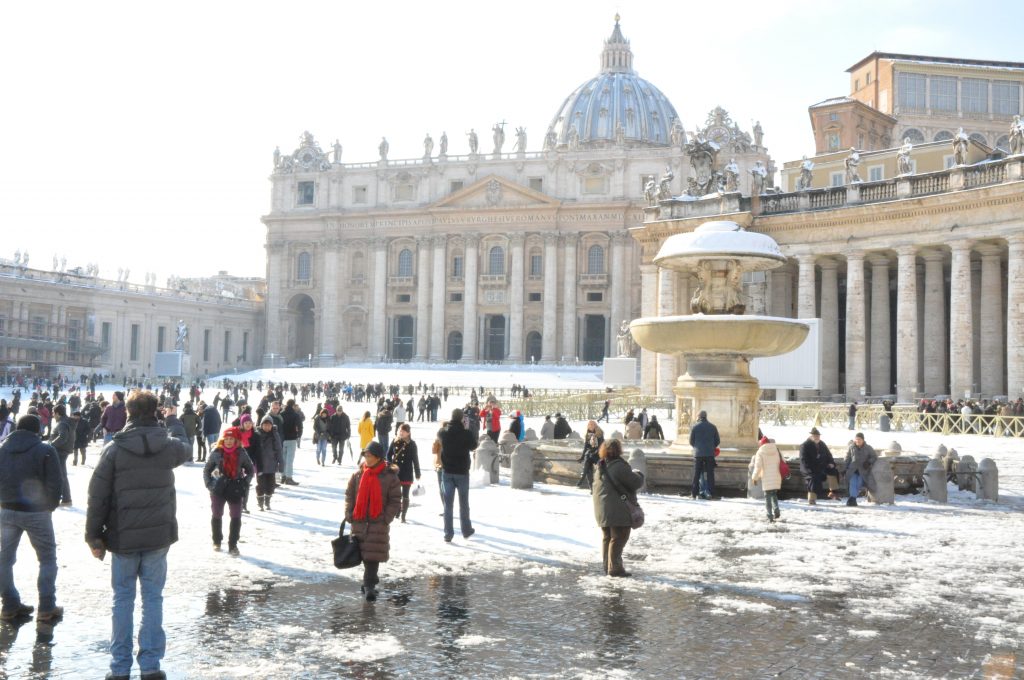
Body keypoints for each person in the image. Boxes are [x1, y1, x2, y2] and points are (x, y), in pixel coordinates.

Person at [85, 390, 191, 680]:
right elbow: (186, 446)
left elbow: (98, 496)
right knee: (153, 599)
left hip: (123, 537)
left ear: (129, 413)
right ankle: (150, 666)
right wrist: (174, 422)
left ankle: (119, 668)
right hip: (158, 536)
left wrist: (93, 536)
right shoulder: (167, 445)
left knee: (122, 600)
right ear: (155, 412)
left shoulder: (115, 449)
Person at [0, 415, 62, 622]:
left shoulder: (2, 449)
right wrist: (50, 506)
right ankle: (46, 606)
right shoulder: (45, 450)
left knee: (5, 560)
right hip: (37, 512)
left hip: (6, 510)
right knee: (46, 559)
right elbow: (55, 483)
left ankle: (8, 604)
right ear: (37, 430)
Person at [345, 441, 401, 602]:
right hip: (359, 520)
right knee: (363, 553)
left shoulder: (389, 476)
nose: (366, 458)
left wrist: (386, 517)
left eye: (369, 455)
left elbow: (395, 499)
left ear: (377, 457)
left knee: (372, 555)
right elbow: (349, 494)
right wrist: (349, 512)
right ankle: (369, 582)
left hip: (378, 522)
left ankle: (369, 585)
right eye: (365, 455)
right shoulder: (358, 475)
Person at [591, 439, 644, 577]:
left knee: (608, 537)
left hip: (603, 509)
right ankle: (615, 568)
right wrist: (639, 474)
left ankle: (607, 566)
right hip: (617, 509)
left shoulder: (600, 466)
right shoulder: (619, 466)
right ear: (619, 449)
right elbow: (635, 482)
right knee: (619, 536)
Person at [202, 426, 255, 554]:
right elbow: (206, 470)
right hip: (218, 489)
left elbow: (250, 470)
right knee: (217, 514)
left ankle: (233, 545)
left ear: (236, 440)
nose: (229, 441)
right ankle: (217, 541)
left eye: (232, 438)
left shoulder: (241, 453)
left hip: (235, 488)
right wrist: (210, 485)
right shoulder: (216, 452)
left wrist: (244, 483)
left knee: (236, 516)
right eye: (227, 438)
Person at [440, 408, 478, 543]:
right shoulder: (466, 433)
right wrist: (468, 429)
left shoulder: (443, 432)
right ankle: (466, 530)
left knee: (448, 504)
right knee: (463, 503)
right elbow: (474, 446)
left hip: (447, 471)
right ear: (462, 418)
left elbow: (440, 436)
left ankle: (448, 533)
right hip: (462, 472)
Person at [386, 423, 421, 523]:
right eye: (399, 430)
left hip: (407, 472)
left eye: (403, 431)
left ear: (408, 433)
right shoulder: (394, 441)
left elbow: (415, 459)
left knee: (405, 495)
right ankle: (397, 512)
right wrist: (390, 465)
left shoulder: (412, 444)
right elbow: (388, 455)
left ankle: (403, 516)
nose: (400, 433)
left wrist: (417, 473)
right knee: (396, 494)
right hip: (395, 472)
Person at [799, 427, 839, 504]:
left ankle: (832, 492)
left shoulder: (822, 444)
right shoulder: (805, 445)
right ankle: (812, 499)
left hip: (821, 467)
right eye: (815, 436)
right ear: (811, 436)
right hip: (809, 469)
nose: (817, 437)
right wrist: (809, 470)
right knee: (813, 478)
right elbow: (803, 460)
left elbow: (829, 455)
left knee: (833, 471)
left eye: (818, 436)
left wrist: (831, 463)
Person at [251, 416, 282, 511]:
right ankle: (260, 502)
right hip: (260, 465)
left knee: (271, 485)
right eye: (265, 425)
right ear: (261, 425)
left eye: (269, 425)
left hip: (272, 465)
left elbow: (279, 449)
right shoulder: (257, 434)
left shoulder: (275, 435)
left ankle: (267, 501)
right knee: (261, 484)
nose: (267, 427)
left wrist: (281, 463)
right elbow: (253, 449)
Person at [688, 410, 720, 499]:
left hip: (698, 454)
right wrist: (711, 447)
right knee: (710, 474)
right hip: (710, 454)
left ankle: (694, 493)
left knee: (696, 474)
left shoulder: (695, 427)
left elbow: (691, 441)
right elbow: (717, 441)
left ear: (699, 417)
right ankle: (712, 493)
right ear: (706, 416)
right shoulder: (713, 427)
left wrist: (697, 447)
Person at [751, 435, 783, 522]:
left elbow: (758, 467)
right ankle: (776, 510)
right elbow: (782, 461)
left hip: (766, 477)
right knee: (774, 495)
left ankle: (769, 515)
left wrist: (754, 477)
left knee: (767, 497)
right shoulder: (776, 449)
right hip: (776, 476)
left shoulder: (760, 452)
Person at [48, 404, 74, 506]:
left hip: (60, 452)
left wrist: (51, 445)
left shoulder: (62, 423)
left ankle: (66, 499)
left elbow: (63, 437)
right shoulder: (66, 421)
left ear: (58, 413)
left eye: (53, 413)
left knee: (61, 475)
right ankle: (65, 498)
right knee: (61, 475)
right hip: (63, 451)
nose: (53, 415)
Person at [844, 432, 877, 507]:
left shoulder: (868, 448)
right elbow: (847, 458)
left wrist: (868, 462)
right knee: (853, 483)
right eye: (856, 439)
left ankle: (852, 499)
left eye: (859, 439)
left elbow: (874, 457)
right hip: (852, 470)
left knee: (859, 483)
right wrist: (844, 468)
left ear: (863, 440)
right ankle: (853, 499)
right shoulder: (851, 447)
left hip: (863, 471)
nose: (857, 441)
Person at [576, 421, 604, 490]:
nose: (590, 426)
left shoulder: (599, 433)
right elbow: (586, 447)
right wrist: (582, 457)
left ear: (595, 426)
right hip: (590, 454)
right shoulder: (588, 434)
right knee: (587, 465)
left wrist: (594, 452)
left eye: (592, 424)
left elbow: (601, 446)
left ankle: (582, 478)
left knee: (599, 468)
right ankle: (591, 488)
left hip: (598, 455)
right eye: (589, 425)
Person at [279, 399, 300, 485]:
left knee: (283, 459)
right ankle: (289, 478)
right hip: (291, 438)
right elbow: (300, 426)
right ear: (293, 405)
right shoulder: (295, 415)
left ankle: (283, 476)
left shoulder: (281, 414)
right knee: (290, 460)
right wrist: (298, 435)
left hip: (282, 439)